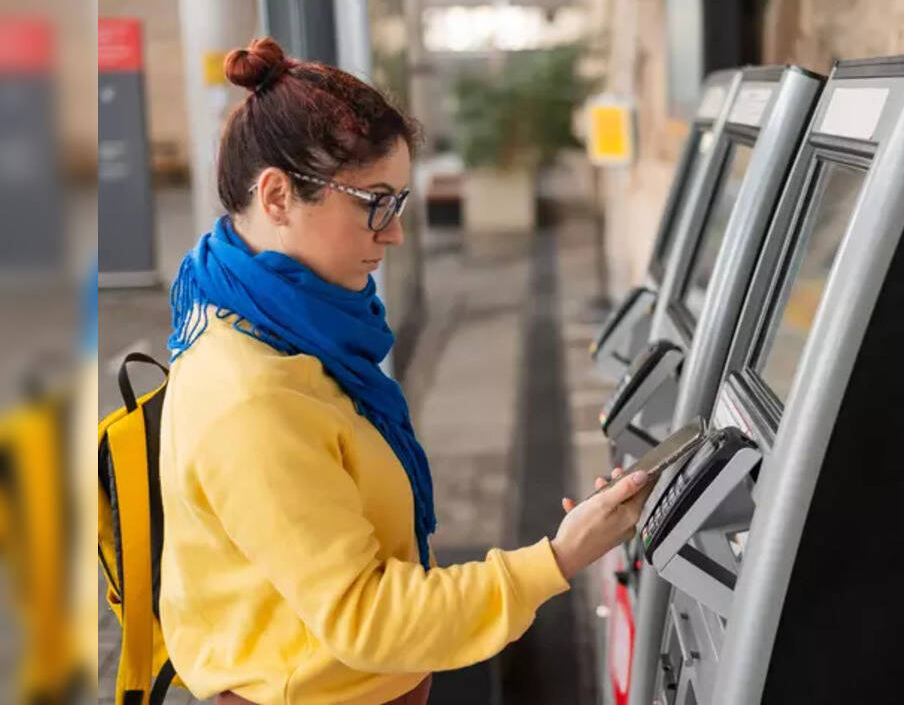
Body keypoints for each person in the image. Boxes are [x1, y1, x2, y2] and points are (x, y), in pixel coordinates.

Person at [158, 37, 650, 705]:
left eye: (399, 203)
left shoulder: (282, 325)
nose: (392, 233)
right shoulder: (254, 392)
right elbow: (367, 617)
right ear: (276, 196)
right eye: (374, 202)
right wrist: (559, 559)